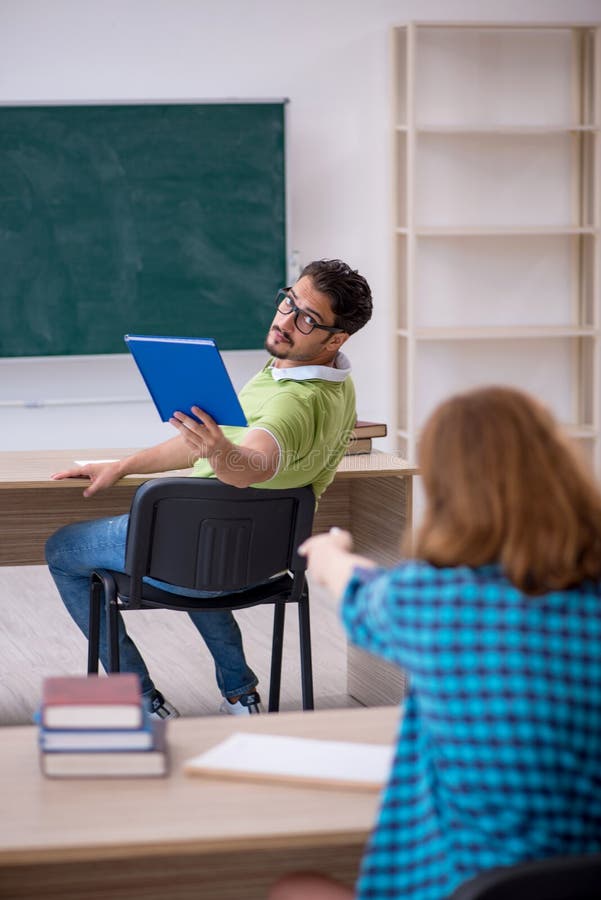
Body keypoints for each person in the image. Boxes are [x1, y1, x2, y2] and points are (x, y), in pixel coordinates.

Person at [270, 386, 601, 900]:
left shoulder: (429, 602)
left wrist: (329, 549)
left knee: (296, 888)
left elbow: (357, 588)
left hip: (454, 886)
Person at [45, 259, 373, 719]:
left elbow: (251, 463)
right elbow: (209, 444)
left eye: (306, 319)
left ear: (335, 338)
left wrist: (222, 454)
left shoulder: (290, 404)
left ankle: (141, 699)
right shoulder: (328, 381)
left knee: (62, 549)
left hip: (195, 560)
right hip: (256, 561)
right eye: (288, 302)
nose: (284, 320)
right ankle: (241, 693)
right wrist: (123, 466)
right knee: (202, 540)